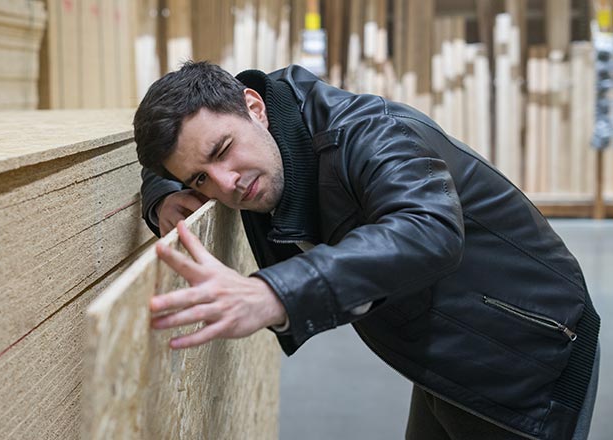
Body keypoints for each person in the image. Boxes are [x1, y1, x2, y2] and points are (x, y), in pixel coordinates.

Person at [134, 61, 601, 440]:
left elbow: (427, 230)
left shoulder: (369, 131)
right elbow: (184, 148)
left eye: (223, 152)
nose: (226, 185)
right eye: (200, 179)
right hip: (444, 350)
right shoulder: (253, 114)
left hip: (528, 350)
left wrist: (273, 294)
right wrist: (162, 196)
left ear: (254, 108)